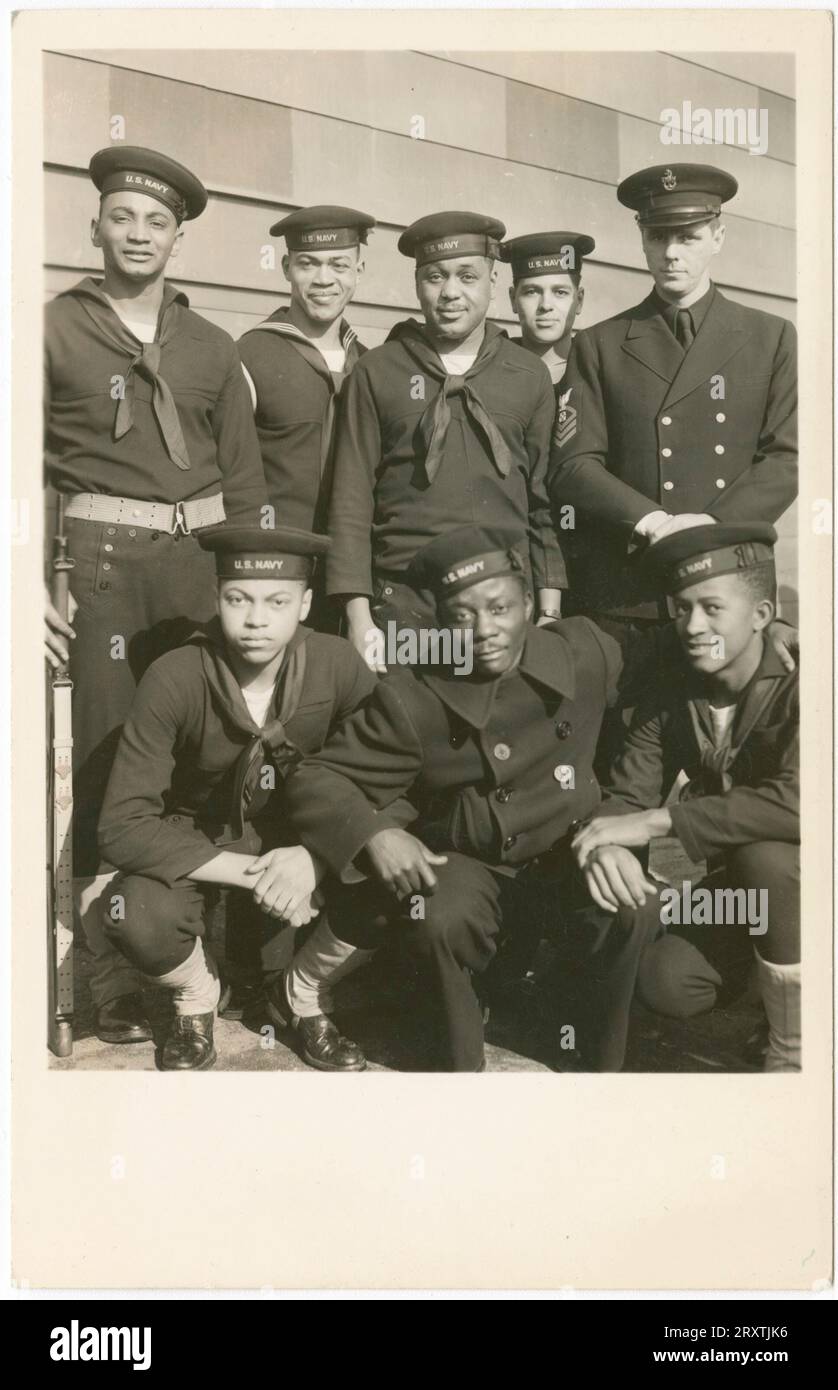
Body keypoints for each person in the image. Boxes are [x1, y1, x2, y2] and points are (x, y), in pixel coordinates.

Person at [282, 525, 662, 1073]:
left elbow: (670, 665)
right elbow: (316, 777)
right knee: (434, 911)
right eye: (462, 616)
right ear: (441, 622)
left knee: (635, 903)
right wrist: (374, 833)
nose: (485, 630)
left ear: (529, 603)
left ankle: (598, 1061)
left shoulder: (585, 652)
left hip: (571, 859)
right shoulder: (415, 699)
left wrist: (619, 820)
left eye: (501, 607)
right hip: (479, 870)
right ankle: (460, 1066)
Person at [44, 145, 268, 1046]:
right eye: (123, 216)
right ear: (93, 224)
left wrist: (256, 596)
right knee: (107, 761)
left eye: (158, 221)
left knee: (202, 755)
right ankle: (114, 979)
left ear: (179, 237)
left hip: (201, 574)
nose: (139, 234)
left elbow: (246, 487)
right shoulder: (51, 330)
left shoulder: (213, 346)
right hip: (103, 574)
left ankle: (199, 960)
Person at [98, 526, 395, 1072]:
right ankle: (196, 998)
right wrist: (253, 872)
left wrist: (317, 859)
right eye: (239, 599)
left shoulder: (336, 664)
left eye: (277, 602)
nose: (256, 619)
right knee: (133, 914)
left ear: (305, 604)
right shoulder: (176, 675)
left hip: (304, 837)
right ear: (217, 599)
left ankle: (302, 995)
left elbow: (394, 782)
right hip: (202, 839)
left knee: (401, 873)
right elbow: (121, 824)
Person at [572, 523, 800, 1072]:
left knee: (761, 855)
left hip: (813, 883)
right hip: (753, 893)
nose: (693, 626)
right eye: (682, 609)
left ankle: (794, 1050)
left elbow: (803, 801)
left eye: (712, 609)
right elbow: (629, 789)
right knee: (669, 982)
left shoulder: (810, 680)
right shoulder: (676, 692)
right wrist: (607, 842)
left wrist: (656, 824)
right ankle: (775, 987)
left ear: (762, 615)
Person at [548, 163, 797, 637]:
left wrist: (712, 523)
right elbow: (574, 464)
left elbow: (788, 457)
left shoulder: (771, 337)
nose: (671, 253)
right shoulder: (600, 343)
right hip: (630, 591)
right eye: (658, 237)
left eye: (688, 237)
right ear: (641, 239)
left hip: (729, 581)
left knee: (722, 713)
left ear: (718, 236)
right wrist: (653, 521)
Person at [325, 212, 567, 671]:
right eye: (435, 277)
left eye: (467, 276)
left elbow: (542, 502)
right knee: (411, 727)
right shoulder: (377, 372)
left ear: (494, 282)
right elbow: (350, 502)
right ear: (417, 285)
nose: (451, 292)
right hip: (406, 605)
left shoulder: (527, 375)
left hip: (503, 604)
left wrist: (549, 611)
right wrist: (359, 619)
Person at [238, 205, 375, 540]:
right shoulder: (248, 356)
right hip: (277, 561)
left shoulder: (371, 363)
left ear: (359, 270)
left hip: (357, 566)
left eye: (339, 265)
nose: (324, 279)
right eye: (308, 264)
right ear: (286, 267)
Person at [502, 230, 595, 390]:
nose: (545, 305)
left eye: (560, 292)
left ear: (579, 300)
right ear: (513, 299)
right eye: (531, 292)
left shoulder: (595, 370)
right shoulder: (496, 368)